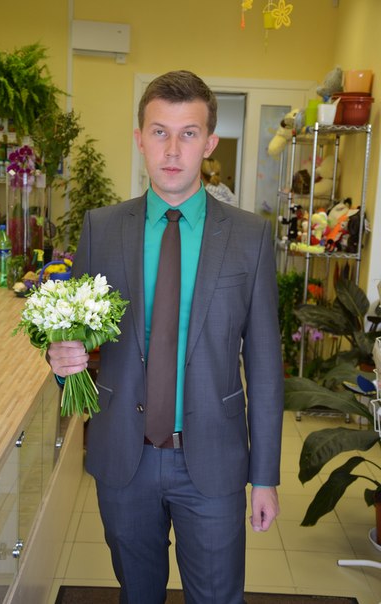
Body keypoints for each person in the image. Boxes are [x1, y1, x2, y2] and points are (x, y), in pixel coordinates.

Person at [47, 70, 284, 604]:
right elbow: (70, 332)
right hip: (124, 459)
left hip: (215, 461)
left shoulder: (249, 237)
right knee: (138, 594)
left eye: (188, 133)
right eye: (159, 132)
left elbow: (266, 367)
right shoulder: (102, 229)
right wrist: (60, 359)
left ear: (209, 143)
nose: (172, 150)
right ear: (140, 139)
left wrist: (265, 476)